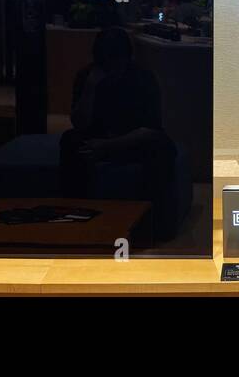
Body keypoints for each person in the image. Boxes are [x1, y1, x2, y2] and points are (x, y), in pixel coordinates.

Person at [58, 27, 180, 239]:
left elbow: (150, 129)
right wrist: (91, 88)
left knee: (163, 147)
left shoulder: (142, 78)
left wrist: (109, 145)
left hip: (132, 142)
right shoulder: (88, 76)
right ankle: (76, 216)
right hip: (97, 142)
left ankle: (157, 225)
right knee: (69, 141)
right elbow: (79, 124)